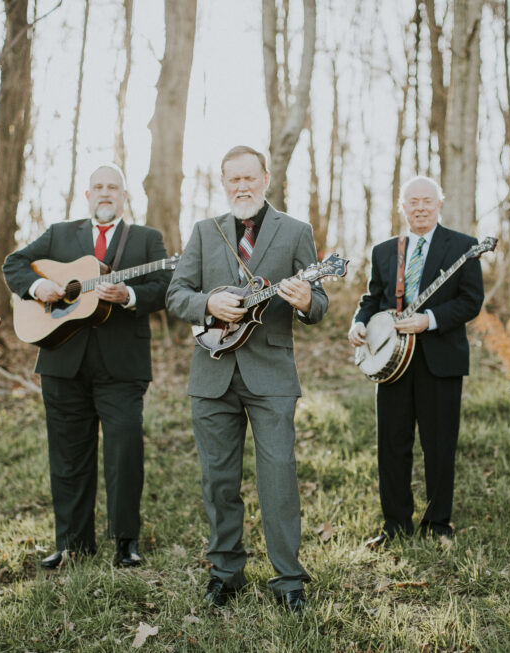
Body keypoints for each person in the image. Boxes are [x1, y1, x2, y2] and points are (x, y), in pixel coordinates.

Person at [166, 145, 329, 614]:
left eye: (249, 177)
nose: (242, 186)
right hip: (212, 371)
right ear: (224, 183)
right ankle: (225, 573)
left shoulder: (295, 231)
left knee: (279, 479)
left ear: (266, 179)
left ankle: (289, 580)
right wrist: (207, 304)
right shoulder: (204, 231)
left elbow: (319, 303)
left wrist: (305, 301)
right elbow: (176, 294)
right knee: (218, 480)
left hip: (271, 374)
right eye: (233, 179)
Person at [3, 164, 170, 569]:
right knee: (68, 456)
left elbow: (167, 287)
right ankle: (72, 544)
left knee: (124, 452)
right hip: (62, 361)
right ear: (87, 195)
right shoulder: (60, 234)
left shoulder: (147, 239)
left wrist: (129, 295)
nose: (105, 192)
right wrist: (38, 286)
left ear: (124, 195)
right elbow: (14, 264)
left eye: (113, 187)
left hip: (123, 366)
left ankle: (125, 542)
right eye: (98, 187)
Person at [349, 175, 485, 549]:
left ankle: (438, 523)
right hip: (390, 362)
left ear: (439, 203)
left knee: (439, 445)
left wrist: (430, 320)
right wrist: (359, 323)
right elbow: (371, 299)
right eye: (413, 202)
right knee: (391, 444)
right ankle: (395, 524)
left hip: (441, 359)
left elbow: (471, 301)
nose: (420, 207)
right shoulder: (384, 251)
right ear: (403, 207)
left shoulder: (464, 247)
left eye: (427, 200)